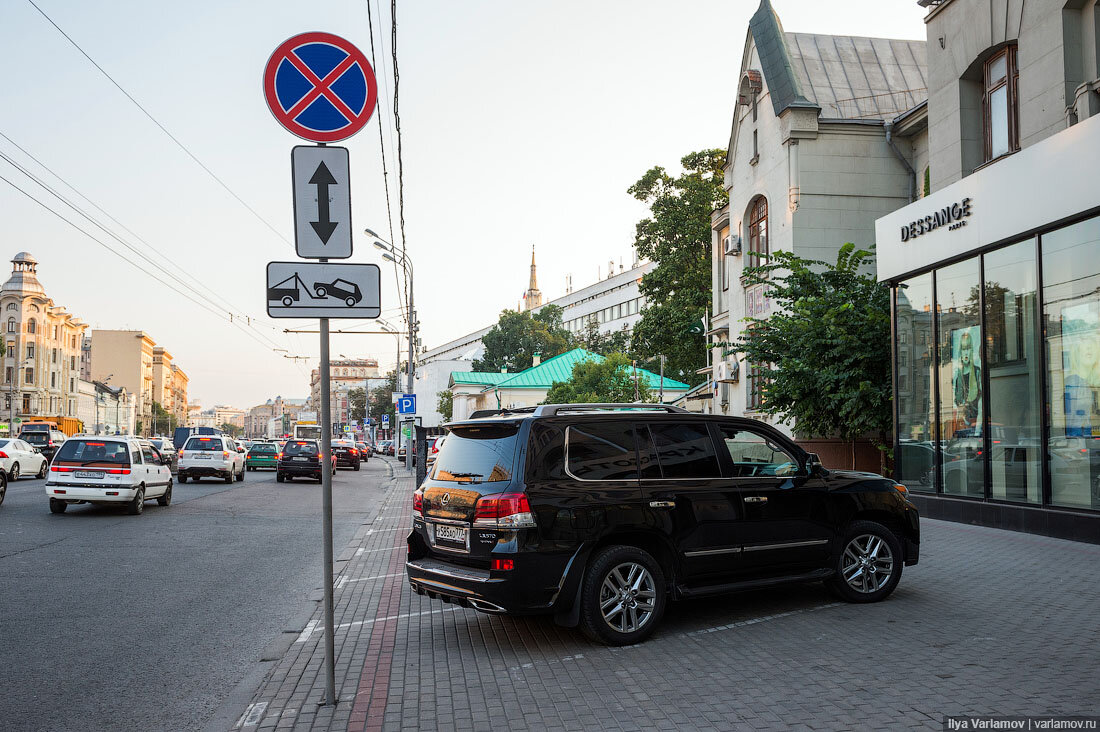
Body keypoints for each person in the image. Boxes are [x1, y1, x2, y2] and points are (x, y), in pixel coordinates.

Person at [953, 329, 982, 429]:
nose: (966, 353)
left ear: (972, 350)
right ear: (960, 352)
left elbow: (981, 401)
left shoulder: (977, 372)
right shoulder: (958, 377)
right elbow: (957, 402)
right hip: (963, 422)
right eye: (963, 349)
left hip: (976, 420)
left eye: (968, 348)